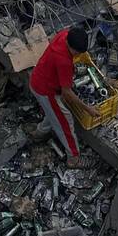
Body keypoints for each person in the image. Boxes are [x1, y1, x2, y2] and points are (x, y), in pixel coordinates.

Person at [29, 26, 88, 167]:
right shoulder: (64, 61)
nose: (77, 55)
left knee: (54, 113)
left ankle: (39, 134)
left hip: (39, 77)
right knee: (66, 121)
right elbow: (67, 92)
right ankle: (73, 158)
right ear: (70, 45)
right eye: (77, 52)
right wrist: (87, 108)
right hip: (45, 89)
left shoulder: (65, 34)